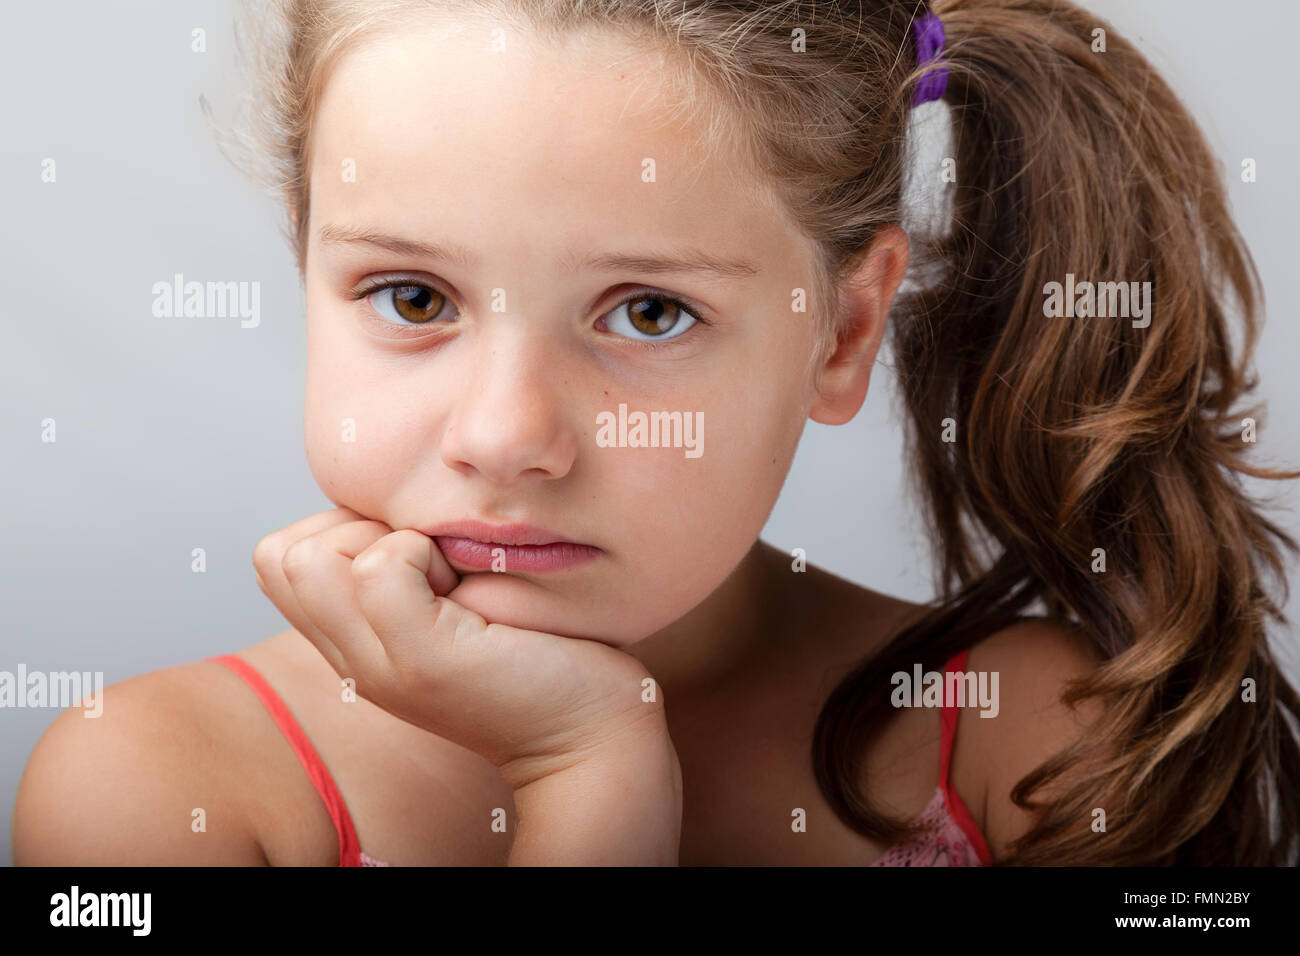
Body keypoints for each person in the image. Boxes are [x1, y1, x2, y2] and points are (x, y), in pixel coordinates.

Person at [14, 0, 1300, 866]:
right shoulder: (155, 792)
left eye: (646, 310)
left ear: (841, 332)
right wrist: (590, 784)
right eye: (413, 298)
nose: (507, 435)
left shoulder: (1034, 741)